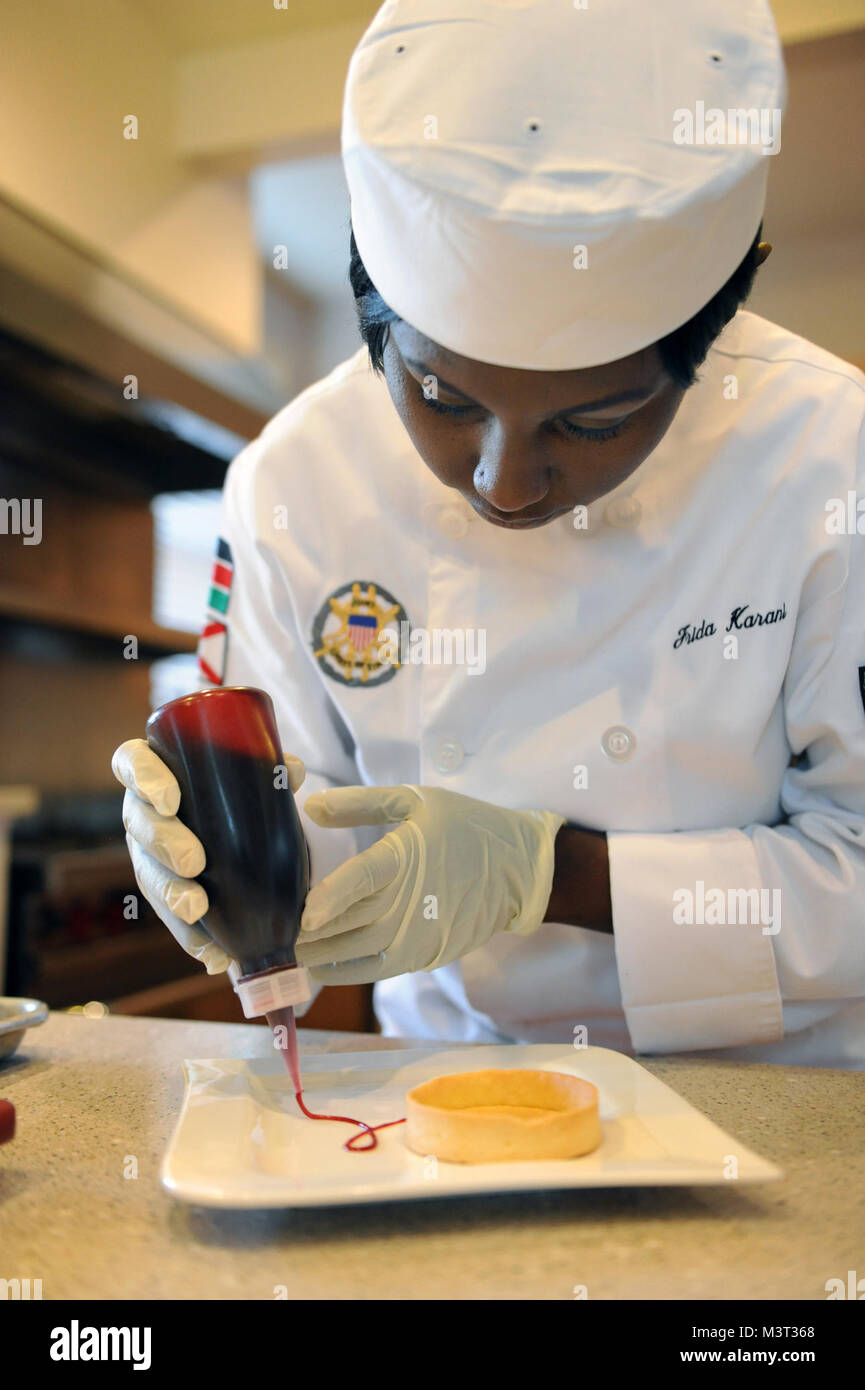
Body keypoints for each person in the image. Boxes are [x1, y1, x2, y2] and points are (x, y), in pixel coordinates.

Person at [112, 0, 865, 1067]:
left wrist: (545, 874)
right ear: (371, 308)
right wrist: (211, 852)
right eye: (438, 393)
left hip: (778, 1093)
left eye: (593, 421)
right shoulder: (295, 477)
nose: (501, 483)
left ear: (712, 337)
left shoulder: (832, 457)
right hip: (443, 1080)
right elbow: (305, 805)